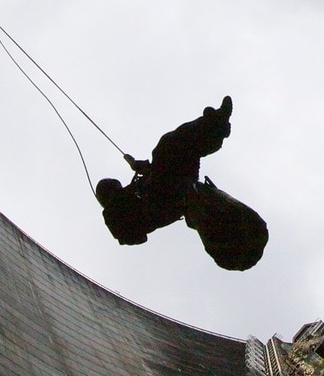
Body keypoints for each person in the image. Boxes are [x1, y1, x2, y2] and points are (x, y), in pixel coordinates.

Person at [94, 96, 268, 270]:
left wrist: (143, 169)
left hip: (175, 189)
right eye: (116, 188)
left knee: (178, 148)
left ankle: (215, 126)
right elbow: (134, 232)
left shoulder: (130, 199)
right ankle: (215, 126)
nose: (121, 188)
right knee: (167, 146)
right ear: (109, 193)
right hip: (168, 197)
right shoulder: (115, 213)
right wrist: (143, 177)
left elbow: (157, 177)